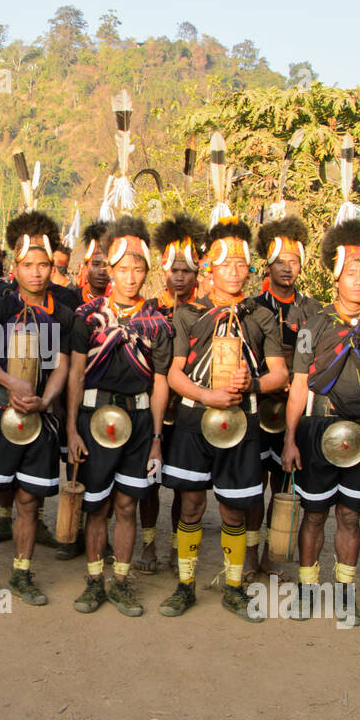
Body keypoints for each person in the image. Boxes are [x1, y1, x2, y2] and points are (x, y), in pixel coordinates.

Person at [159, 217, 286, 619]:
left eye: (241, 263)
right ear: (208, 267)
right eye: (224, 263)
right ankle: (185, 585)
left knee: (234, 509)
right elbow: (175, 374)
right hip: (194, 423)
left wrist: (252, 385)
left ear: (250, 269)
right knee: (191, 504)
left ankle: (233, 587)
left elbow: (280, 375)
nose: (233, 270)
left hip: (242, 422)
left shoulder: (261, 316)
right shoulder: (187, 315)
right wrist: (206, 394)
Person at [282, 219, 360, 626]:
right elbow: (299, 386)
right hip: (317, 429)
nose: (358, 279)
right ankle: (305, 590)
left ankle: (346, 594)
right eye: (350, 272)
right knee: (314, 514)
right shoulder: (312, 326)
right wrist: (290, 439)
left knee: (350, 516)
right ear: (336, 277)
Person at [67, 216, 172, 616]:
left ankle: (122, 581)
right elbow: (76, 373)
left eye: (138, 268)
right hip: (94, 419)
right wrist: (75, 429)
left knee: (128, 504)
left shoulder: (158, 322)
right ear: (108, 269)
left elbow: (160, 383)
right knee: (97, 505)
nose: (130, 277)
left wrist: (158, 438)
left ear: (148, 272)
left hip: (140, 423)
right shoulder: (87, 316)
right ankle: (94, 581)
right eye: (122, 268)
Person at [0, 211, 72, 606]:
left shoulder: (61, 314)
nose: (37, 272)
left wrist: (45, 400)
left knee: (30, 500)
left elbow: (61, 365)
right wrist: (11, 382)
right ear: (15, 265)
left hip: (40, 420)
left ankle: (23, 575)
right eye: (29, 264)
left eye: (44, 264)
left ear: (53, 265)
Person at [250, 216, 321, 577]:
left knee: (283, 482)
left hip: (294, 407)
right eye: (281, 261)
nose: (287, 267)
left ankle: (273, 554)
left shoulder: (310, 312)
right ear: (268, 264)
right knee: (251, 484)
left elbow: (309, 359)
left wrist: (297, 381)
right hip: (257, 404)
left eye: (294, 261)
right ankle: (247, 556)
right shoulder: (251, 307)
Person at [136, 215, 203, 574]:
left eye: (187, 271)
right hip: (151, 406)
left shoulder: (204, 312)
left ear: (197, 274)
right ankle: (148, 544)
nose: (179, 277)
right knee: (148, 482)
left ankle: (179, 546)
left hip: (188, 410)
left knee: (182, 485)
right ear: (164, 270)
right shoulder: (148, 310)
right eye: (174, 270)